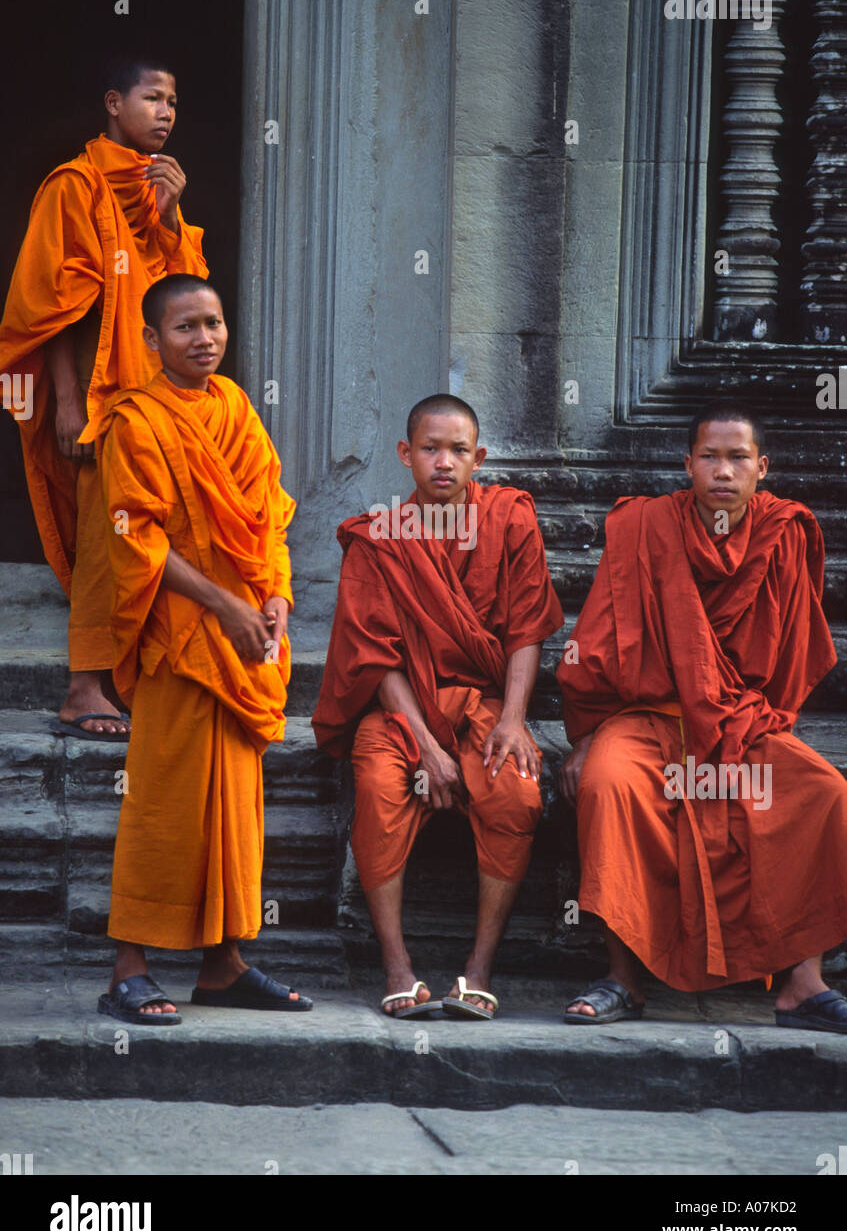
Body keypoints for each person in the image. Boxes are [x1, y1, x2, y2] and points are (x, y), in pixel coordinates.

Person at [558, 401, 847, 1032]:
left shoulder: (785, 533)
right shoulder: (644, 528)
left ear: (761, 468)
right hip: (645, 717)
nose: (722, 470)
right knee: (608, 784)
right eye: (709, 457)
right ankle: (622, 979)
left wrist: (750, 727)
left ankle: (803, 984)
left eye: (737, 457)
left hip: (739, 722)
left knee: (822, 790)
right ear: (687, 465)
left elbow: (793, 651)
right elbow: (599, 639)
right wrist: (582, 738)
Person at [96, 273, 311, 1024]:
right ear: (152, 341)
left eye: (213, 323)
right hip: (183, 638)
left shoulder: (235, 408)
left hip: (245, 639)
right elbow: (137, 538)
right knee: (161, 804)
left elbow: (269, 513)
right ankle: (128, 965)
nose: (204, 339)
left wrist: (275, 597)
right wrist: (223, 604)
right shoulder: (136, 421)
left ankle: (224, 964)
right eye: (185, 328)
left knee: (234, 809)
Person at [312, 394, 564, 1018]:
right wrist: (428, 747)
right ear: (406, 454)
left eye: (458, 450)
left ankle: (478, 971)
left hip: (484, 704)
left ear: (478, 457)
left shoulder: (510, 519)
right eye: (430, 448)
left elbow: (527, 628)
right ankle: (397, 967)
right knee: (376, 785)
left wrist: (512, 720)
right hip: (402, 712)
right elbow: (376, 655)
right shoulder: (380, 539)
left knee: (516, 793)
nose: (443, 462)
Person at [0, 55, 207, 737]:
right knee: (101, 534)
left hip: (154, 397)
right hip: (93, 394)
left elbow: (181, 303)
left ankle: (146, 673)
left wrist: (168, 220)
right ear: (115, 103)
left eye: (174, 100)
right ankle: (83, 687)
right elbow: (53, 310)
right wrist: (63, 403)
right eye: (154, 97)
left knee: (148, 530)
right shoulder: (73, 187)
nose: (167, 111)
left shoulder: (155, 194)